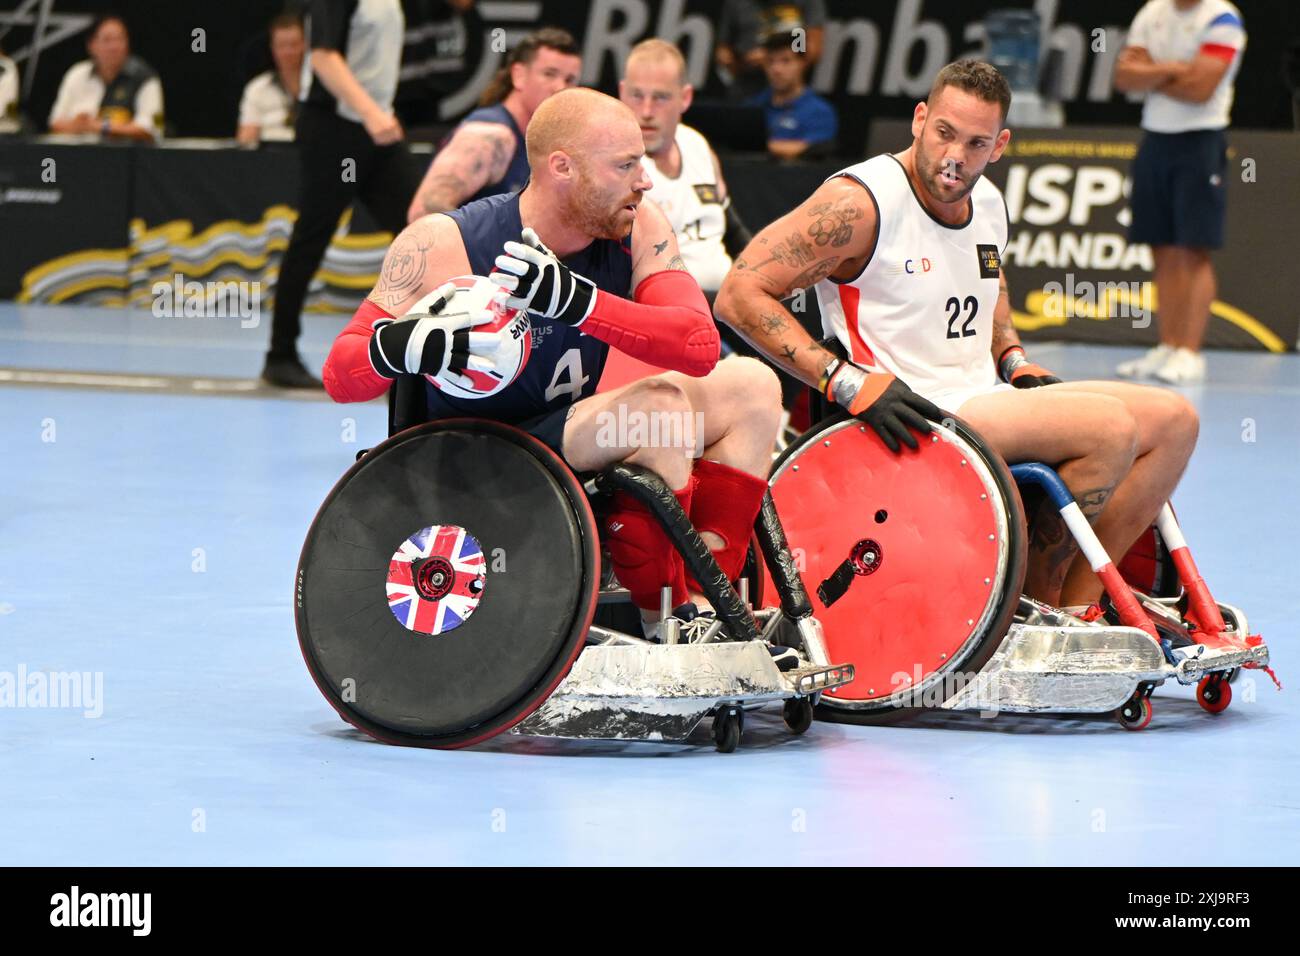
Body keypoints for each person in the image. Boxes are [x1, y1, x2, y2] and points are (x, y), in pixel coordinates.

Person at [716, 59, 1200, 614]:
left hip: (981, 399)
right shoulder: (860, 203)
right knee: (1110, 429)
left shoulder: (988, 202)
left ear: (999, 146)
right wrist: (843, 381)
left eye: (975, 143)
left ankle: (1083, 604)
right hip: (908, 414)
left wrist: (1013, 356)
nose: (955, 156)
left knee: (1174, 421)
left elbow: (989, 283)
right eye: (945, 133)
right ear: (920, 119)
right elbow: (739, 293)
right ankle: (1038, 604)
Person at [324, 88, 786, 642]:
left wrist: (578, 302)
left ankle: (705, 605)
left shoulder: (638, 224)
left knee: (752, 386)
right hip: (477, 455)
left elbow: (698, 345)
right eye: (625, 165)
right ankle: (663, 624)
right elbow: (339, 374)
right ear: (561, 167)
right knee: (658, 412)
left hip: (567, 429)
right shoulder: (445, 242)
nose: (645, 180)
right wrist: (398, 346)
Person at [263, 0, 417, 389]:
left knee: (422, 230)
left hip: (377, 128)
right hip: (335, 130)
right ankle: (280, 355)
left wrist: (382, 111)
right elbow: (323, 56)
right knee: (311, 236)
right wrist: (370, 112)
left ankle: (416, 361)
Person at [1113, 0, 1247, 384]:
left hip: (1201, 142)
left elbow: (1200, 88)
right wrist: (1174, 68)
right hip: (1155, 138)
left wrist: (1150, 74)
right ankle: (1168, 345)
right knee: (1162, 246)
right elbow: (1124, 78)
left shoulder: (1222, 18)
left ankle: (1190, 351)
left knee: (1193, 248)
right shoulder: (1151, 12)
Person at [406, 27, 580, 222]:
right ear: (519, 75)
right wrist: (478, 248)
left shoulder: (544, 141)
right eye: (549, 74)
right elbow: (423, 212)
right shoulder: (489, 135)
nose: (560, 87)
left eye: (569, 79)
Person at [619, 38, 751, 295]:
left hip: (726, 309)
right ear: (622, 93)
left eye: (660, 97)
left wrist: (760, 275)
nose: (646, 110)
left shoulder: (696, 144)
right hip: (667, 311)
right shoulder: (615, 163)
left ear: (685, 97)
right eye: (637, 95)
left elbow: (733, 231)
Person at [48, 14, 163, 141]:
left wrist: (102, 126)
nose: (114, 47)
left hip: (128, 157)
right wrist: (79, 125)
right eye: (107, 40)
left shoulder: (146, 77)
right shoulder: (77, 74)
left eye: (120, 39)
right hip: (79, 155)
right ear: (91, 45)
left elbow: (152, 129)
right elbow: (55, 123)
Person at [747, 30, 837, 160]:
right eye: (770, 61)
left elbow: (813, 148)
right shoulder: (753, 106)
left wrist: (758, 146)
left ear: (802, 63)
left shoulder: (819, 110)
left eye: (786, 61)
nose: (776, 69)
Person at [715, 0, 826, 98]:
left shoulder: (801, 6)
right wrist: (729, 59)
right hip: (745, 88)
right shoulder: (735, 3)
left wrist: (773, 58)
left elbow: (812, 48)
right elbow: (724, 46)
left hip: (790, 94)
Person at [236, 13, 305, 145]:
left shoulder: (322, 86)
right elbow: (246, 140)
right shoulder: (257, 88)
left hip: (310, 153)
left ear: (305, 45)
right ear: (273, 48)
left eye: (294, 44)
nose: (288, 52)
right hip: (269, 156)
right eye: (282, 45)